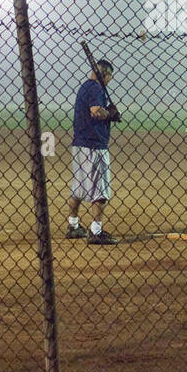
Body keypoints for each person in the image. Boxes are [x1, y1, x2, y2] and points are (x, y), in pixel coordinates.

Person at [67, 59, 119, 245]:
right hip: (94, 145)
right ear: (104, 74)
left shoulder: (85, 87)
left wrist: (109, 113)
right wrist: (111, 114)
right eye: (110, 77)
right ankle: (96, 231)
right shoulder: (96, 88)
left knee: (79, 188)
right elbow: (96, 112)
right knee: (100, 190)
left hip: (80, 144)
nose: (110, 80)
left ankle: (73, 226)